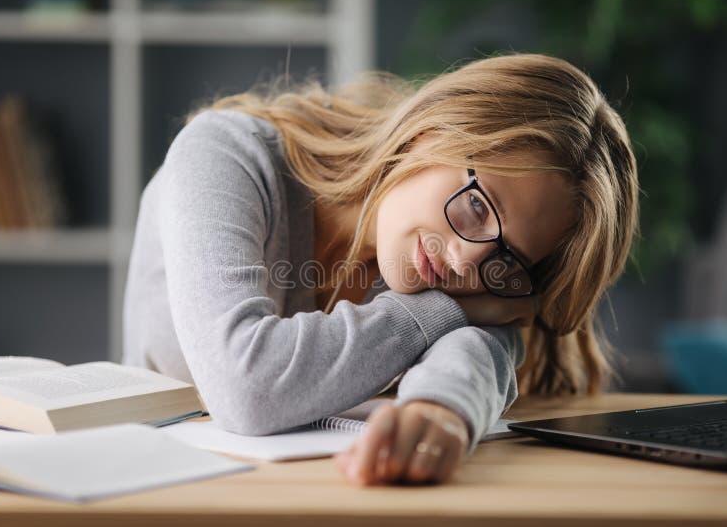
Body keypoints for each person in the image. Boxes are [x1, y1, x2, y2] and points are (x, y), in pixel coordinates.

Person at [122, 53, 639, 487]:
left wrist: (441, 411)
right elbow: (246, 387)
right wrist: (447, 309)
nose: (467, 261)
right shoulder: (226, 153)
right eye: (478, 206)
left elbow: (485, 345)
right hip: (157, 489)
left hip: (327, 496)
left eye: (508, 260)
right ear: (431, 132)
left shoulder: (465, 275)